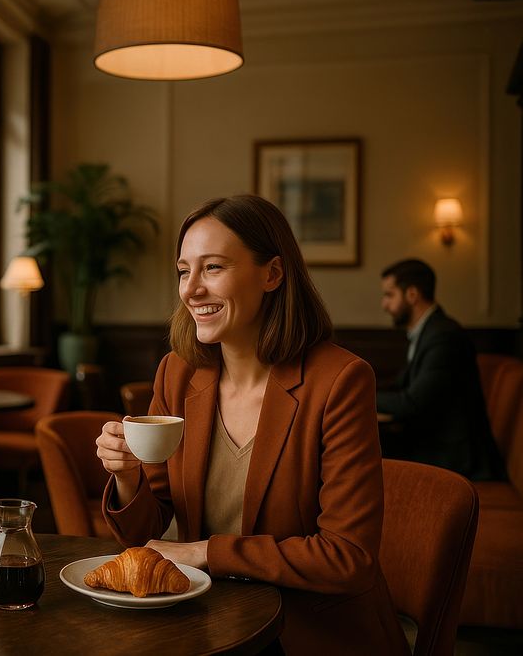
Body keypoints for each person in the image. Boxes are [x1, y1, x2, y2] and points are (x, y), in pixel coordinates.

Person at [95, 195, 408, 654]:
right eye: (184, 271)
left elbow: (347, 558)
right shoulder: (176, 372)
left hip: (307, 633)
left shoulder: (340, 380)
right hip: (208, 620)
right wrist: (126, 476)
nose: (191, 290)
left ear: (272, 274)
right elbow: (147, 529)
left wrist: (205, 551)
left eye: (213, 268)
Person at [376, 258, 503, 480]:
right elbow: (401, 386)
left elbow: (413, 403)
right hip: (433, 443)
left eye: (389, 295)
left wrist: (359, 396)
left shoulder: (444, 336)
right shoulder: (429, 332)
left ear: (412, 295)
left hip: (455, 457)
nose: (384, 304)